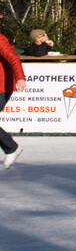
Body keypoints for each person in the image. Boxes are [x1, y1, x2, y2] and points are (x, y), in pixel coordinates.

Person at [0, 29, 27, 169]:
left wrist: (20, 77)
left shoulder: (0, 39)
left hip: (2, 87)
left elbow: (13, 58)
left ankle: (11, 148)